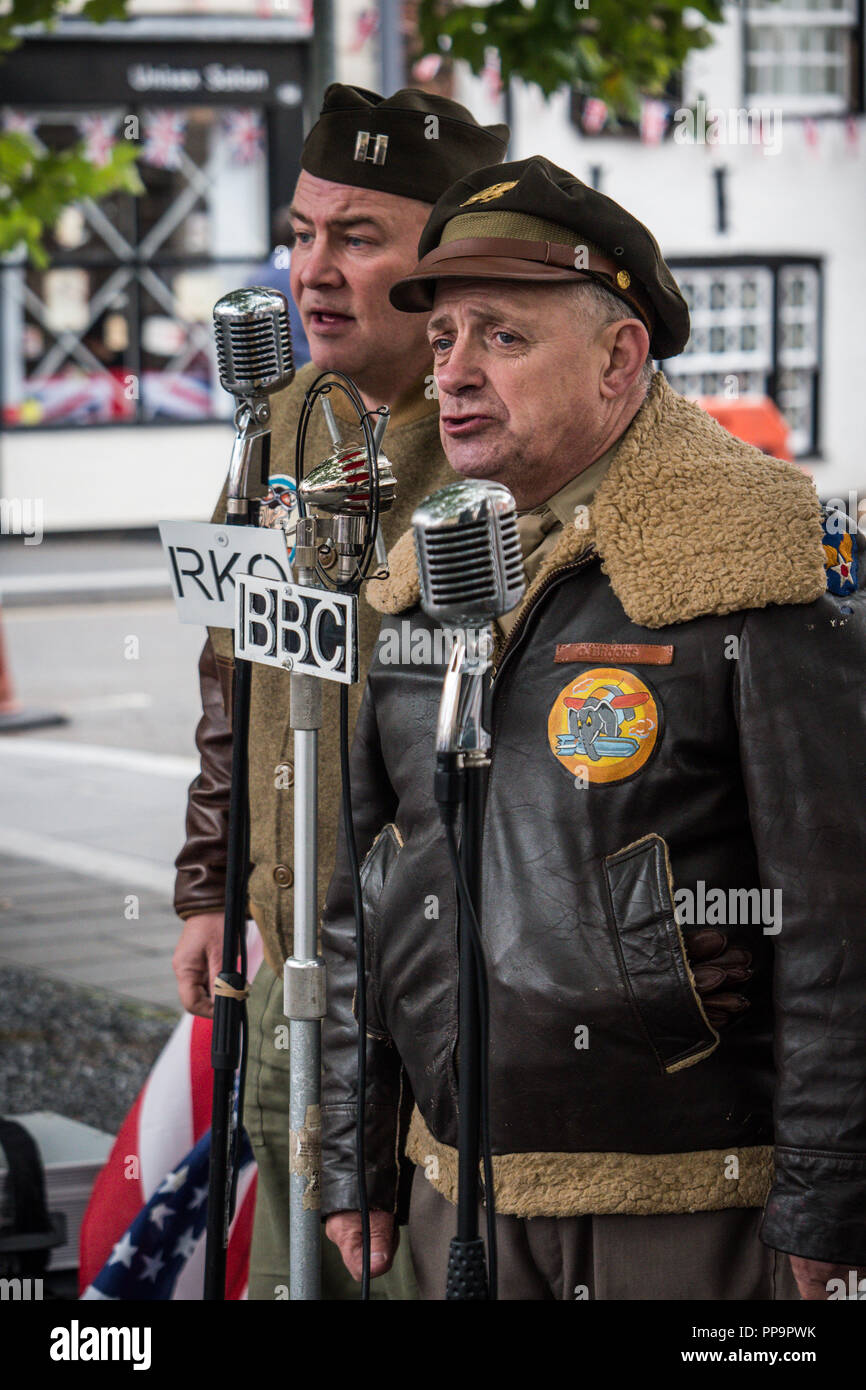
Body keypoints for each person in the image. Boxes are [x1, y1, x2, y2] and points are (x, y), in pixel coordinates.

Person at [320, 155, 866, 1300]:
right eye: (442, 341)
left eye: (502, 340)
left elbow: (836, 917)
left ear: (620, 358)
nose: (454, 376)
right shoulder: (422, 579)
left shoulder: (747, 570)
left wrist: (829, 1190)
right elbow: (362, 893)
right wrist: (349, 1151)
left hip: (685, 1200)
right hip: (447, 1183)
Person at [171, 83, 508, 1299]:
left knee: (400, 1266)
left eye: (357, 237)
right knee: (281, 1257)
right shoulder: (283, 415)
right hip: (280, 948)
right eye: (302, 231)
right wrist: (208, 879)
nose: (313, 268)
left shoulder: (486, 437)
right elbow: (233, 662)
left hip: (429, 985)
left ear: (446, 260)